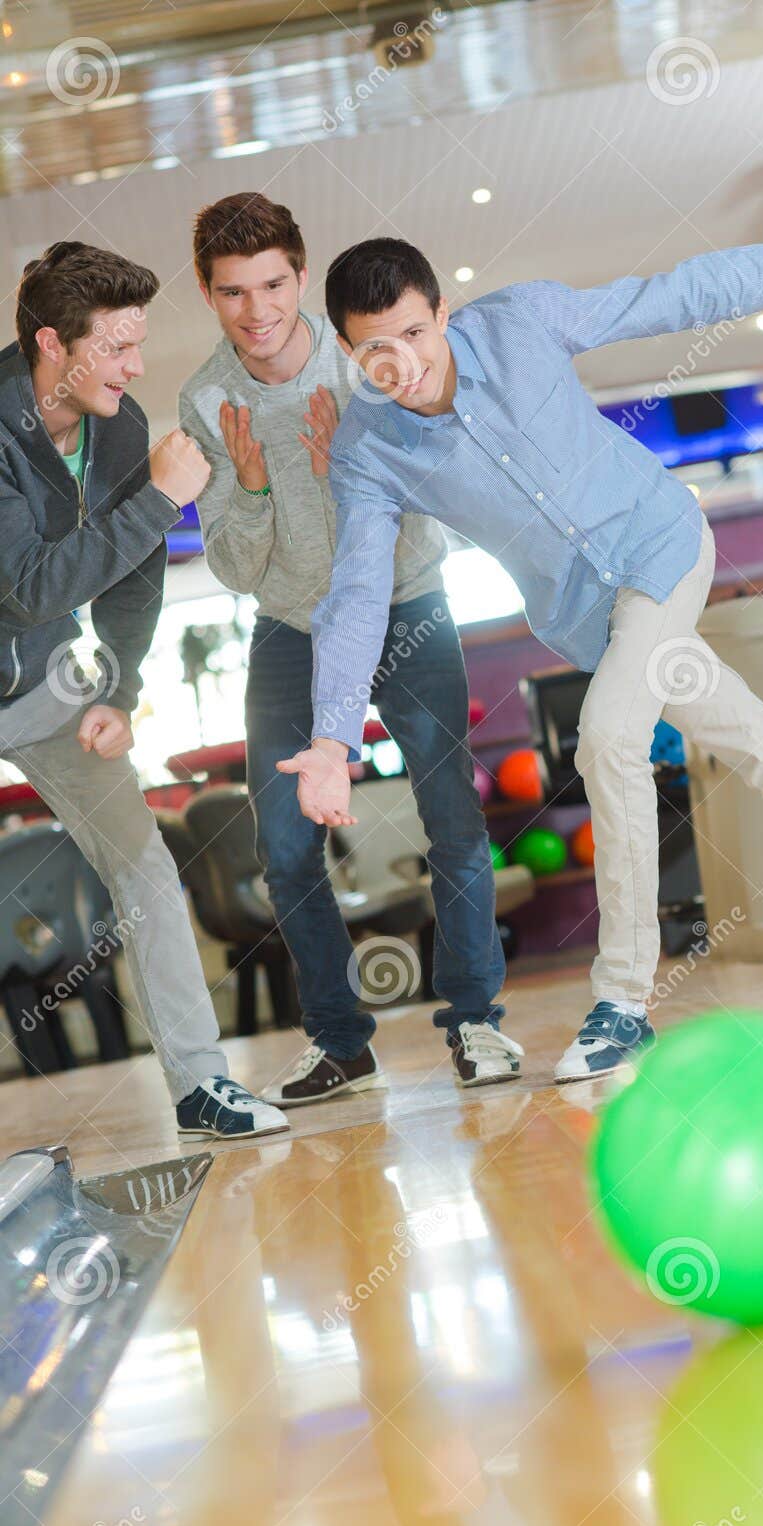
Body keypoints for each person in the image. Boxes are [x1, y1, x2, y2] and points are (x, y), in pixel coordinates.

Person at [286, 235, 763, 1082]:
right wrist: (334, 740)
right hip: (595, 620)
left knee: (609, 741)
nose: (398, 362)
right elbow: (358, 593)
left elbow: (675, 294)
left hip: (663, 550)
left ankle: (621, 1002)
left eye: (413, 333)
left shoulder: (520, 322)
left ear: (442, 312)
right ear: (344, 347)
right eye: (373, 348)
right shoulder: (367, 449)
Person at [179, 194, 522, 1099]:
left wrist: (349, 478)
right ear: (208, 295)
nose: (257, 311)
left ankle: (477, 1022)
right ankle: (340, 1040)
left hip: (409, 606)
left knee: (450, 812)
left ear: (300, 272)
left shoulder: (364, 359)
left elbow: (434, 504)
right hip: (291, 627)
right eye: (232, 292)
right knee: (285, 850)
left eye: (273, 284)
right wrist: (252, 492)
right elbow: (232, 567)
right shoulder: (206, 400)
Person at [0, 241, 288, 1138]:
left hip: (40, 677)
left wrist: (119, 690)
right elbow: (26, 585)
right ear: (54, 343)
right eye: (117, 348)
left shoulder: (116, 426)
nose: (134, 366)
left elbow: (132, 576)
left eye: (138, 344)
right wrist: (163, 499)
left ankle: (202, 1089)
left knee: (144, 865)